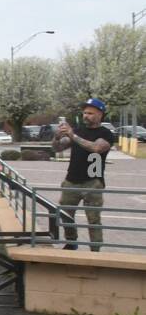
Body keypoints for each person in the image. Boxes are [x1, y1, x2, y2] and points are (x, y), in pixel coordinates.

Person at [54, 98, 114, 251]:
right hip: (71, 180)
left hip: (93, 181)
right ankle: (71, 242)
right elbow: (57, 149)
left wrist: (73, 136)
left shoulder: (105, 133)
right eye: (84, 113)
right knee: (65, 215)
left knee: (93, 219)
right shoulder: (78, 130)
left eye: (90, 113)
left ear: (100, 114)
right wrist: (57, 137)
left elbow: (96, 148)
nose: (86, 116)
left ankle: (95, 249)